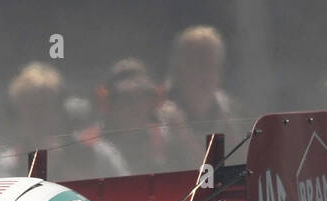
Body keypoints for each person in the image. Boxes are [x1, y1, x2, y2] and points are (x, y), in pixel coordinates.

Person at [0, 62, 125, 181]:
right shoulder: (7, 166)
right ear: (17, 113)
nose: (38, 114)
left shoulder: (96, 154)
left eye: (45, 104)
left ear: (61, 109)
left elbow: (127, 194)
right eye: (30, 106)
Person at [158, 26, 240, 166]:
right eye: (199, 65)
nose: (207, 75)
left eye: (212, 65)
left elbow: (245, 165)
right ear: (179, 70)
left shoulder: (233, 112)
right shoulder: (158, 114)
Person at [97, 58, 170, 174]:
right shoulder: (96, 146)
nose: (135, 106)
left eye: (142, 97)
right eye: (126, 98)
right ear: (111, 103)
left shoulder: (164, 138)